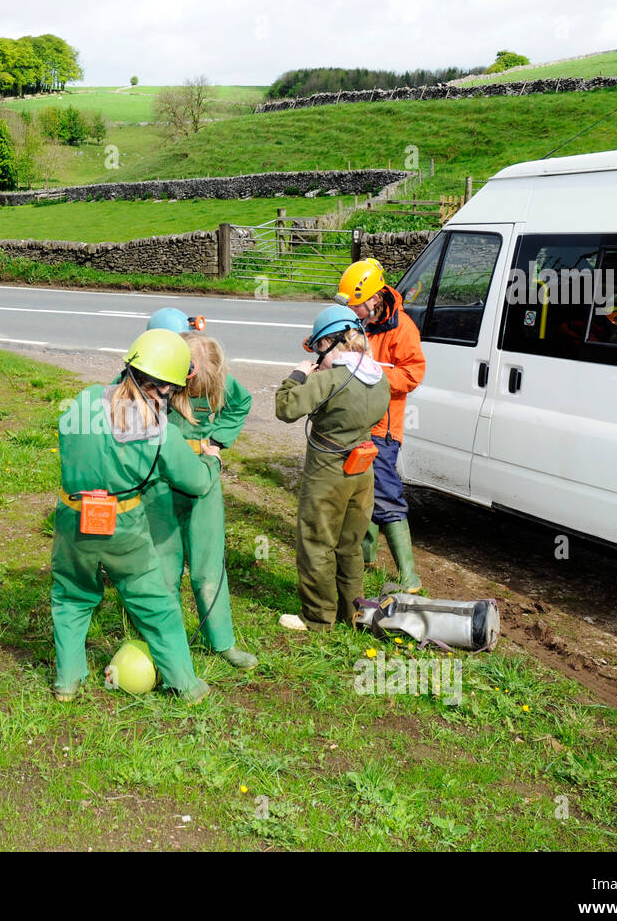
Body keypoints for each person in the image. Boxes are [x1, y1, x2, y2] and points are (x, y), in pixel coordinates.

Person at [51, 329, 222, 703]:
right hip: (123, 527)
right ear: (169, 388)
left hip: (71, 519)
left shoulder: (83, 401)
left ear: (129, 366)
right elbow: (194, 483)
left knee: (71, 596)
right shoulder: (160, 433)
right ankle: (186, 685)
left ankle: (68, 681)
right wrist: (211, 462)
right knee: (157, 607)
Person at [139, 308, 256, 669]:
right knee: (164, 565)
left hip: (204, 477)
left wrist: (217, 444)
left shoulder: (221, 381)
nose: (198, 395)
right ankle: (164, 640)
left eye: (206, 389)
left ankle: (221, 641)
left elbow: (240, 404)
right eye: (191, 389)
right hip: (159, 480)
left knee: (208, 566)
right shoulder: (148, 376)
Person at [275, 305, 391, 631]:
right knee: (349, 544)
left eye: (318, 347)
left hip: (328, 471)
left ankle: (317, 616)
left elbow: (285, 408)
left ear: (331, 342)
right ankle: (352, 612)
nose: (316, 354)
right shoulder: (378, 376)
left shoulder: (329, 380)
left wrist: (298, 374)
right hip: (362, 469)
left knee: (316, 541)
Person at [340, 259, 427, 593]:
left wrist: (373, 375)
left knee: (386, 495)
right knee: (359, 489)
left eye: (358, 304)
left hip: (382, 429)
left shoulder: (402, 328)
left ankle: (410, 575)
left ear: (375, 298)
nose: (354, 310)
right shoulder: (354, 321)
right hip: (354, 422)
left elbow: (413, 374)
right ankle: (365, 554)